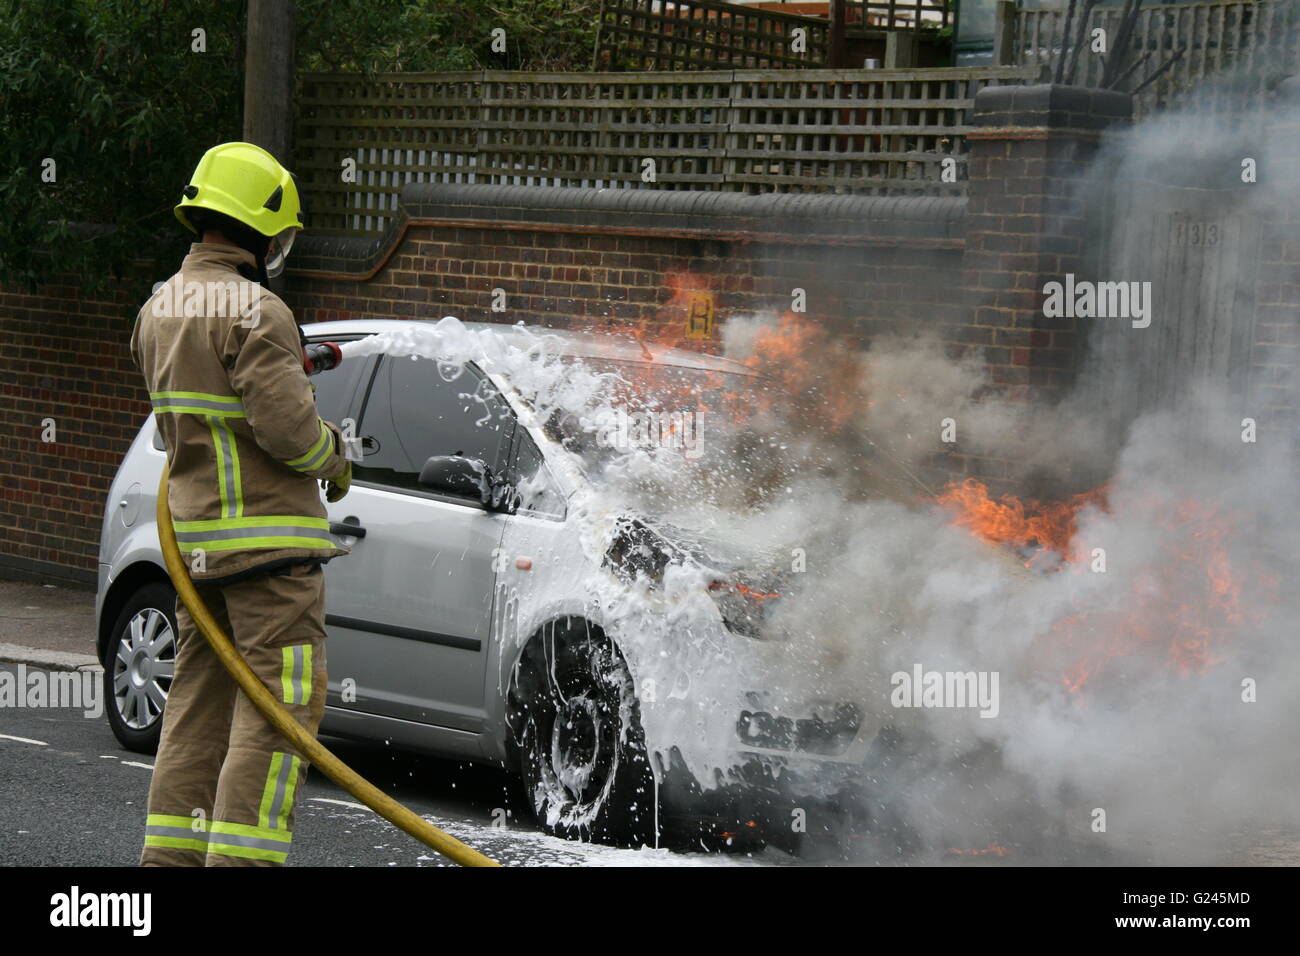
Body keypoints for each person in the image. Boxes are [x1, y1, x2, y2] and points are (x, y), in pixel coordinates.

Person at [130, 141, 352, 866]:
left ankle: (170, 862)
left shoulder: (159, 306)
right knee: (278, 720)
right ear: (260, 229)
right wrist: (335, 456)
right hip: (272, 558)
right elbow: (287, 432)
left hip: (199, 555)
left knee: (193, 716)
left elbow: (185, 425)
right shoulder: (258, 309)